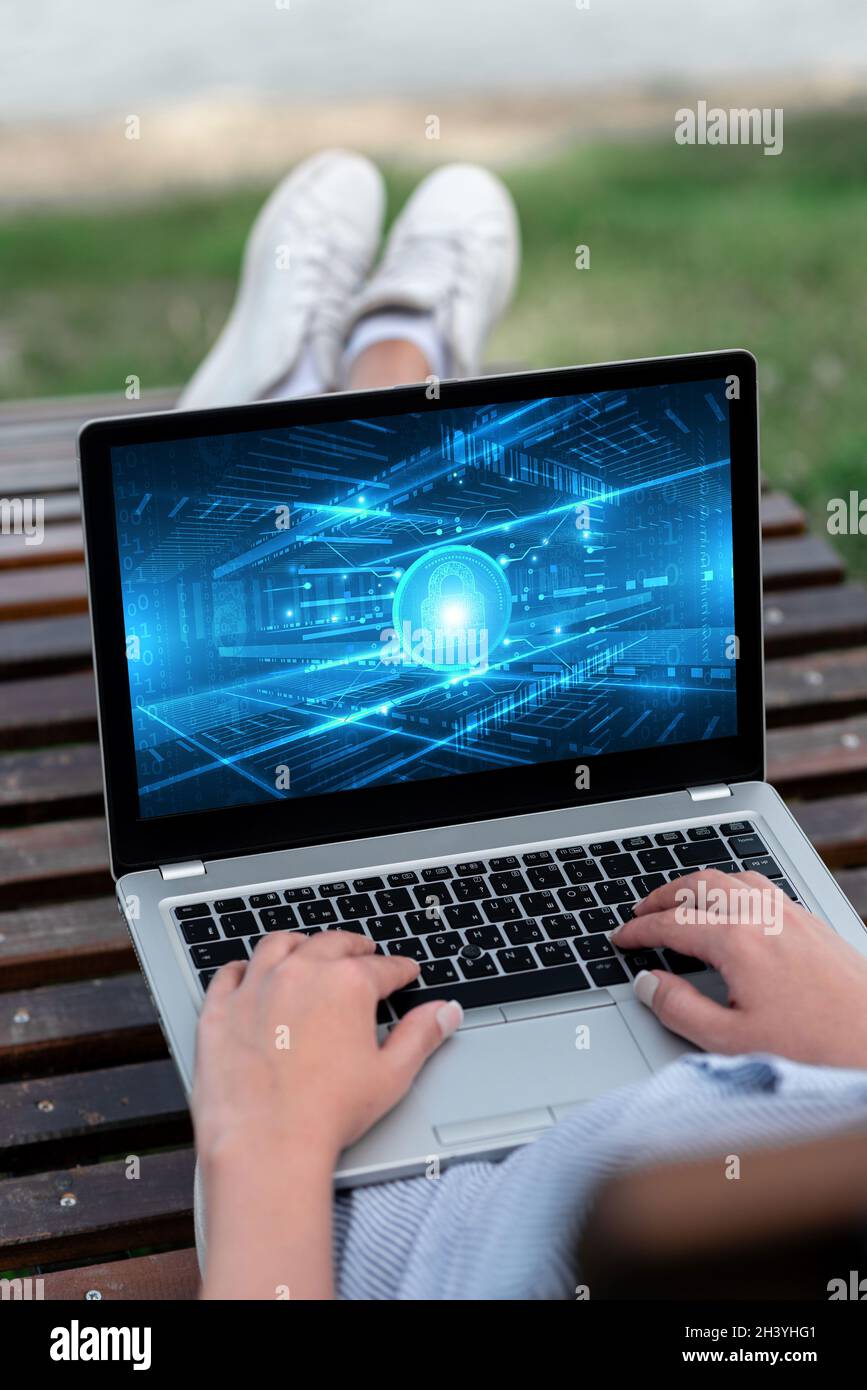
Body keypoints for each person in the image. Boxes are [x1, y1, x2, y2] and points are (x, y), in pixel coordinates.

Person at [183, 153, 867, 1300]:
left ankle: (339, 375)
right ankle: (386, 359)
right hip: (793, 1077)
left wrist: (265, 1148)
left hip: (353, 1210)